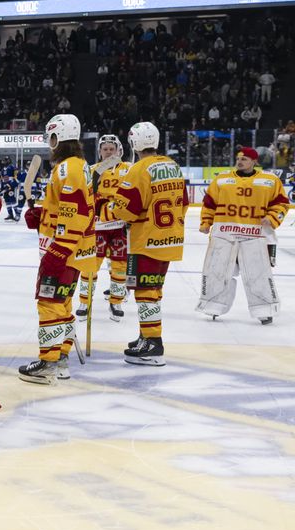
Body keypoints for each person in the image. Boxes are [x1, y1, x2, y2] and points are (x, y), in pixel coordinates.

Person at [19, 114, 98, 384]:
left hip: (65, 251)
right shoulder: (74, 166)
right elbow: (65, 208)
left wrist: (59, 250)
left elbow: (75, 213)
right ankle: (60, 358)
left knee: (50, 303)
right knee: (62, 303)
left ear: (59, 138)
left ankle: (49, 363)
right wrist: (41, 215)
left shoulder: (68, 169)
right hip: (74, 250)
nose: (49, 143)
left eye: (51, 137)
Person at [106, 121, 188, 366]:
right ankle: (146, 334)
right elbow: (183, 202)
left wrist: (111, 206)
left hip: (147, 241)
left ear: (133, 143)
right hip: (170, 239)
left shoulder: (139, 169)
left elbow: (126, 210)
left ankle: (153, 342)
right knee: (153, 290)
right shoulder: (172, 165)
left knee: (146, 293)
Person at [197, 147, 289, 324]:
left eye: (245, 159)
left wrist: (272, 218)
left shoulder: (269, 181)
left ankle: (265, 310)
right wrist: (206, 223)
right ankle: (214, 306)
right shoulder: (222, 179)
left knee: (258, 273)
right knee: (219, 271)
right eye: (238, 158)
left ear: (255, 161)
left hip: (257, 236)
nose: (240, 161)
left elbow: (282, 204)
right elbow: (209, 203)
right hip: (225, 234)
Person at [78, 135, 132, 322]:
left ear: (119, 150)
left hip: (120, 228)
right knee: (89, 267)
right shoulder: (92, 170)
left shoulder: (128, 169)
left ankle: (115, 302)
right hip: (97, 228)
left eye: (112, 148)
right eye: (105, 149)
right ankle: (85, 302)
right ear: (100, 151)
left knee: (119, 267)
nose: (109, 152)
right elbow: (84, 197)